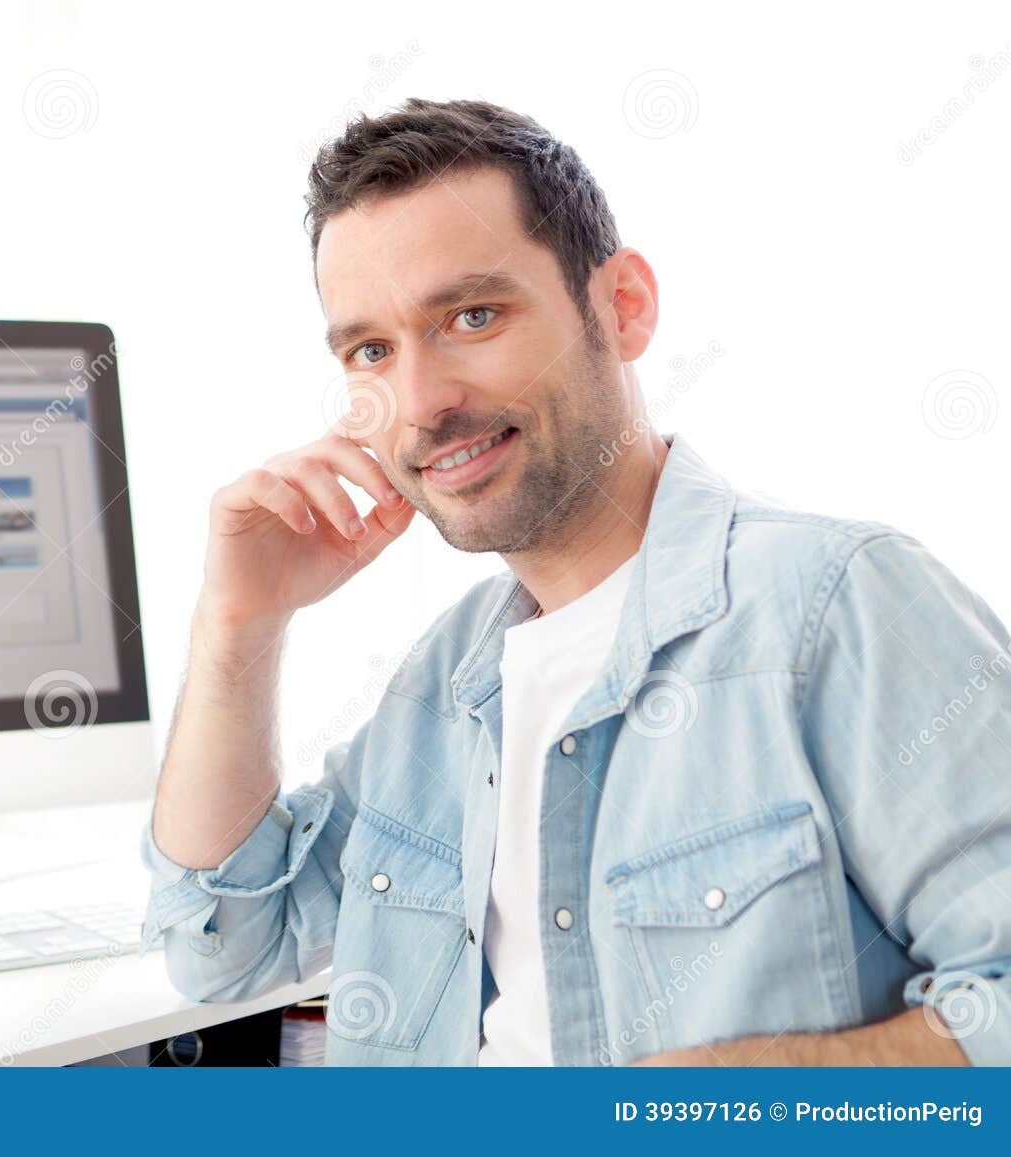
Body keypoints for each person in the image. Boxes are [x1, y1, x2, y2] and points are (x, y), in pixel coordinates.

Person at [141, 98, 1011, 1066]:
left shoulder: (837, 606)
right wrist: (239, 621)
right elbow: (221, 948)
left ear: (622, 305)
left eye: (472, 316)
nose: (421, 402)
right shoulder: (443, 683)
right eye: (372, 351)